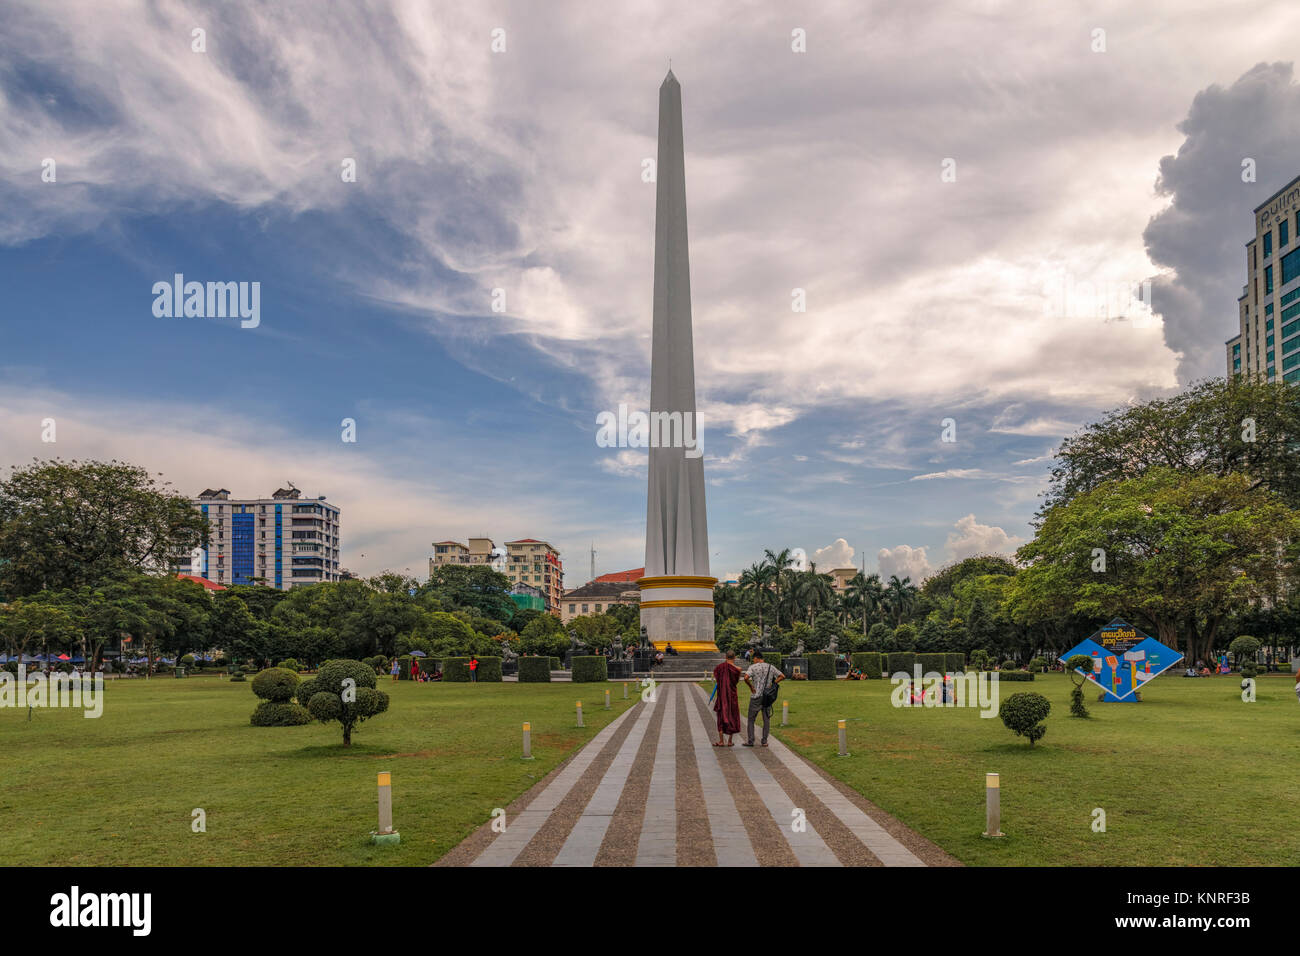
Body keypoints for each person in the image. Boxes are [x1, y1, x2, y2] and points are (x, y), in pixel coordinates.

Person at [742, 651, 784, 747]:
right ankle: (764, 741)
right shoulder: (770, 667)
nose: (753, 661)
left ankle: (751, 741)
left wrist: (751, 686)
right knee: (766, 719)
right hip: (767, 697)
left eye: (754, 659)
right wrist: (772, 685)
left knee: (751, 719)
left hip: (756, 696)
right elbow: (782, 676)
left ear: (756, 658)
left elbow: (745, 678)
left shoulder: (753, 667)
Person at [711, 651, 743, 747]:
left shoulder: (719, 668)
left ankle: (721, 741)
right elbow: (736, 682)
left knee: (721, 717)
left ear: (725, 657)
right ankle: (729, 741)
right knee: (732, 715)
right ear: (735, 657)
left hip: (722, 696)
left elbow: (718, 679)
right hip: (732, 695)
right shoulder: (738, 669)